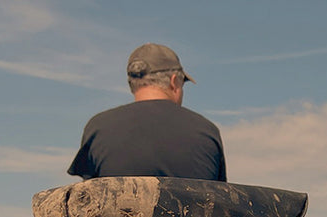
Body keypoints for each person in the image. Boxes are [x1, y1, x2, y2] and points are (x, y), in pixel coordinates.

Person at [68, 43, 226, 181]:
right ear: (174, 81)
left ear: (132, 84)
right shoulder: (207, 131)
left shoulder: (98, 127)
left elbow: (87, 196)